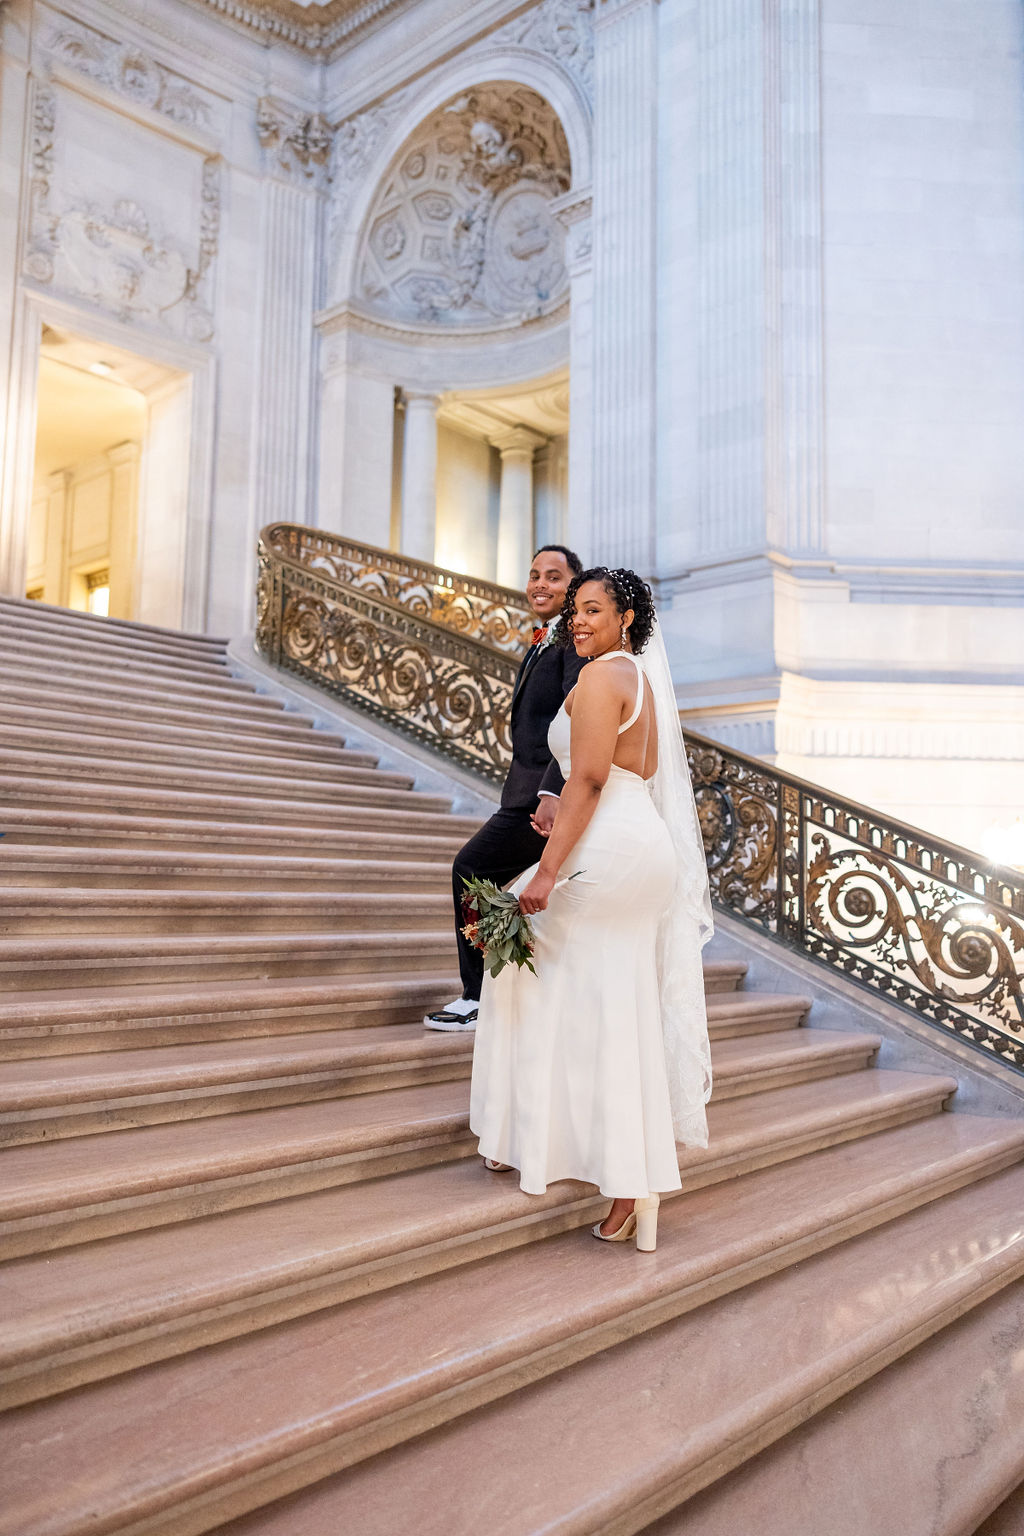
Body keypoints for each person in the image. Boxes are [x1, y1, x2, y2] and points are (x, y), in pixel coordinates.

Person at [469, 567, 714, 1251]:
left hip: (609, 854)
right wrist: (558, 814)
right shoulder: (635, 680)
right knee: (606, 1003)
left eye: (593, 610)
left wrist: (547, 871)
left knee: (521, 977)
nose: (578, 621)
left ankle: (541, 1143)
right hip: (634, 843)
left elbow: (592, 775)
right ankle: (559, 1150)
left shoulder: (605, 678)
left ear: (626, 618)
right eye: (575, 610)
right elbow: (620, 776)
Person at [424, 544, 587, 1031]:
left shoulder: (574, 641)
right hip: (526, 790)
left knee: (473, 867)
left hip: (543, 796)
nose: (540, 583)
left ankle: (478, 996)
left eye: (554, 577)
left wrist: (553, 792)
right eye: (534, 574)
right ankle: (500, 988)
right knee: (484, 876)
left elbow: (577, 716)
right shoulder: (543, 638)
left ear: (575, 586)